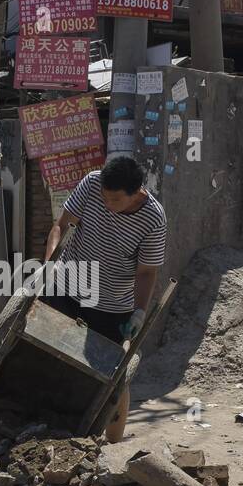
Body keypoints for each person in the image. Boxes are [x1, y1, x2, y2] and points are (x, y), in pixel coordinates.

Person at [44, 156, 167, 442]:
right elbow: (60, 226)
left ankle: (114, 445)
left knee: (111, 376)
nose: (107, 205)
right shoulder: (91, 184)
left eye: (114, 200)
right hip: (67, 287)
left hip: (112, 305)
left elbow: (147, 272)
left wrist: (139, 311)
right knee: (51, 359)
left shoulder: (153, 218)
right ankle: (48, 431)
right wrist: (49, 263)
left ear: (136, 192)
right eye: (104, 197)